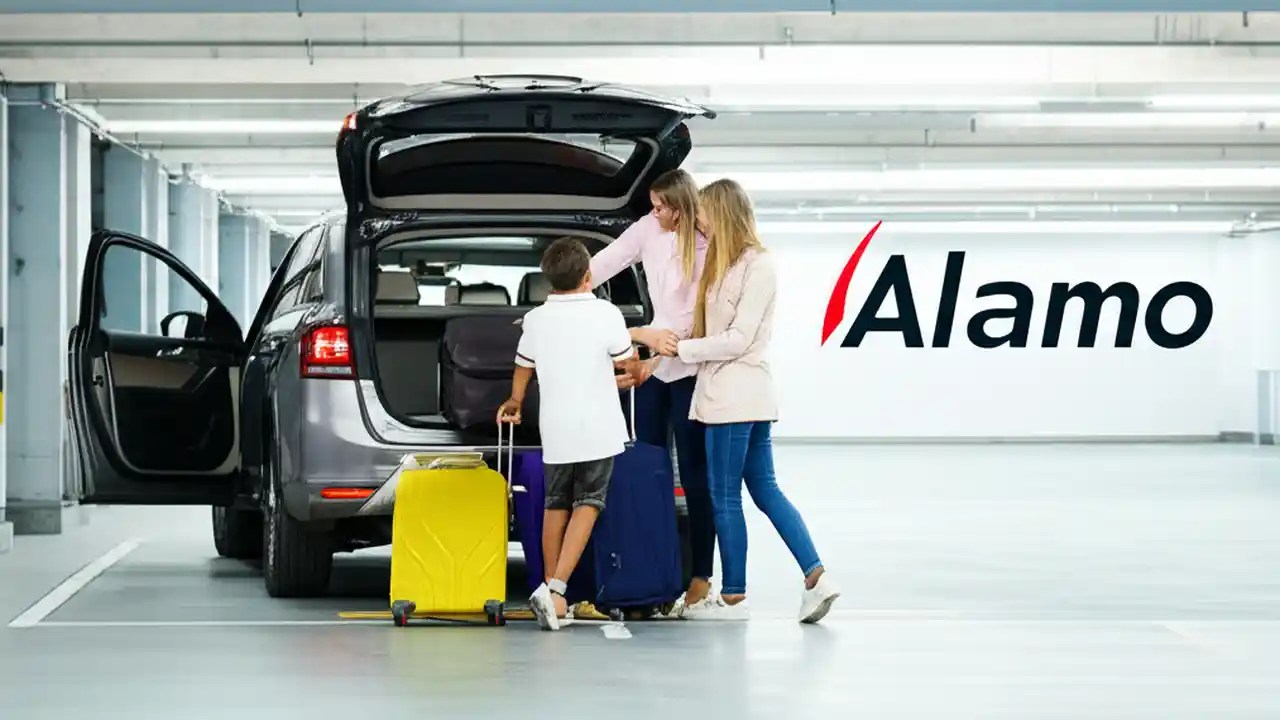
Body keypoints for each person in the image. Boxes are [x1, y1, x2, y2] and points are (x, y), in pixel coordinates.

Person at [671, 178, 841, 624]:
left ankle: (733, 598)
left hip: (736, 396)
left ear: (723, 212)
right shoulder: (722, 265)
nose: (699, 221)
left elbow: (738, 338)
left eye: (704, 212)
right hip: (734, 394)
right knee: (763, 489)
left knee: (726, 495)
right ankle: (816, 577)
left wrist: (683, 350)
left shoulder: (759, 265)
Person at [588, 168, 717, 611]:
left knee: (696, 478)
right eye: (652, 204)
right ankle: (649, 567)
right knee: (646, 470)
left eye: (660, 206)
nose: (653, 211)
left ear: (679, 210)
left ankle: (702, 573)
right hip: (655, 368)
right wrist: (571, 287)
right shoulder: (647, 228)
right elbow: (608, 260)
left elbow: (694, 319)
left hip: (688, 369)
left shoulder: (705, 245)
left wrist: (653, 358)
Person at [498, 237, 643, 631]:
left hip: (557, 427)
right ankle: (558, 590)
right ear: (588, 276)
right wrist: (643, 368)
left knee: (555, 502)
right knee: (590, 501)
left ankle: (549, 588)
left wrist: (515, 400)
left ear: (549, 281)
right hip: (598, 426)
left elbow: (523, 364)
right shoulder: (606, 314)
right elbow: (627, 365)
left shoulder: (536, 319)